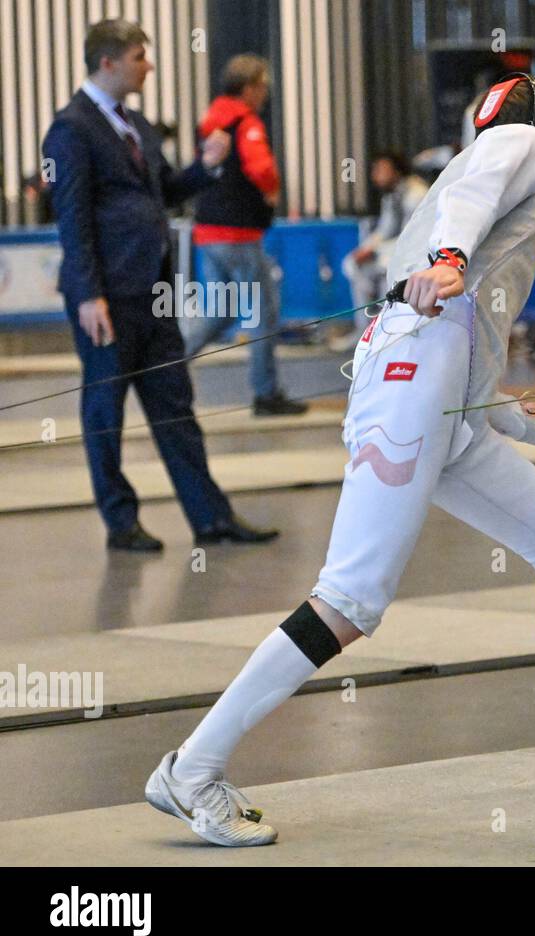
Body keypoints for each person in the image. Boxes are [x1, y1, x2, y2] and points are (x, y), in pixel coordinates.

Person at [144, 74, 535, 847]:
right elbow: (470, 220)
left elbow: (471, 385)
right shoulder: (526, 143)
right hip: (409, 382)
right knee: (352, 599)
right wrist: (452, 257)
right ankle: (192, 768)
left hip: (438, 395)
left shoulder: (488, 209)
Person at [43, 19, 279, 552]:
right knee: (105, 410)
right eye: (139, 57)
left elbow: (167, 190)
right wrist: (87, 294)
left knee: (176, 405)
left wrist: (206, 167)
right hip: (107, 295)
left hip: (153, 291)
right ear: (109, 63)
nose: (148, 66)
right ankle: (120, 521)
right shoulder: (72, 129)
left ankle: (210, 517)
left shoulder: (136, 125)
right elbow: (72, 216)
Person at [187, 54, 305, 416]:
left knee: (221, 312)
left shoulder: (210, 119)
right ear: (249, 87)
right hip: (238, 233)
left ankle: (167, 365)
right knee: (263, 314)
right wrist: (272, 192)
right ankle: (266, 395)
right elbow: (262, 167)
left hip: (208, 232)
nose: (266, 93)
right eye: (264, 86)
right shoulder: (246, 122)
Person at [336, 151, 428, 350]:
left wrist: (376, 252)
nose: (376, 175)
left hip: (415, 258)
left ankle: (391, 333)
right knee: (353, 264)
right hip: (392, 253)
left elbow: (412, 236)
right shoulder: (393, 195)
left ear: (396, 170)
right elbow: (385, 230)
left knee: (382, 272)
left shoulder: (416, 194)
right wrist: (367, 248)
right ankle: (366, 332)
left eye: (382, 170)